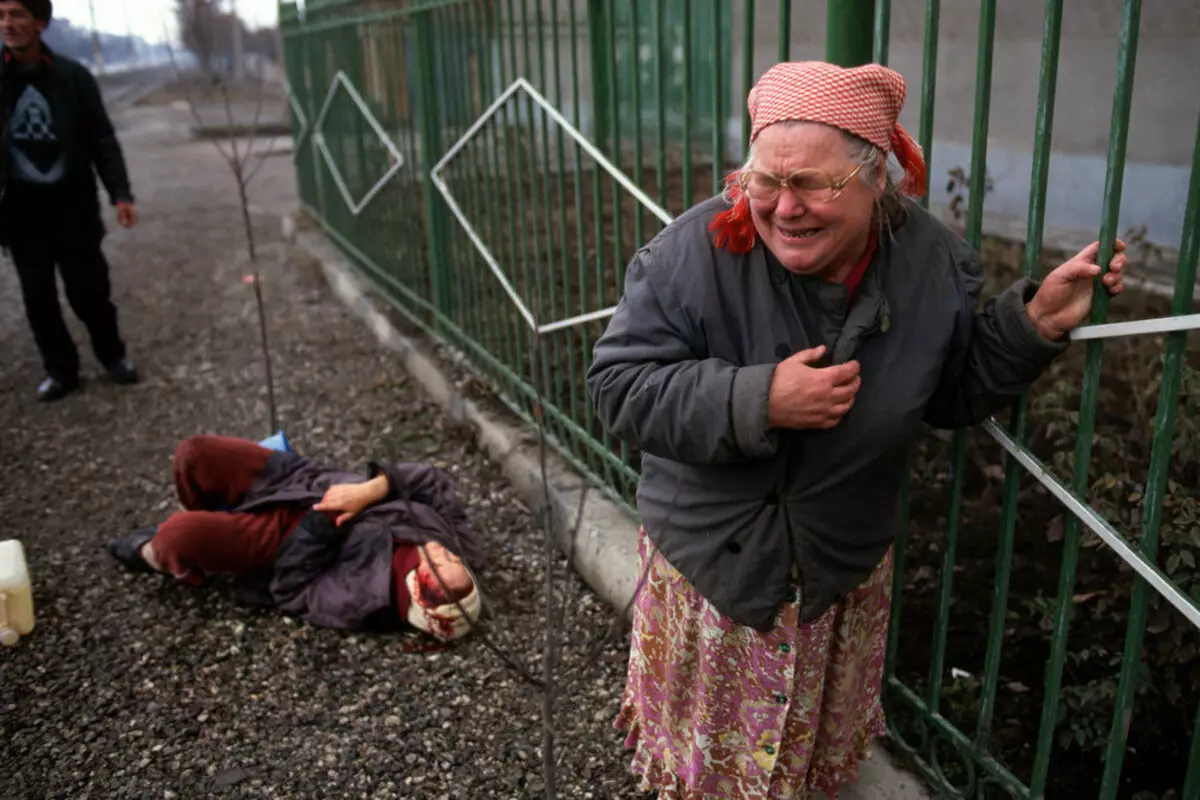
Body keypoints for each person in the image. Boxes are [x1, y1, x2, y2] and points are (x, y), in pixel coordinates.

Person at [586, 61, 1127, 799]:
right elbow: (617, 388)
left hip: (839, 568)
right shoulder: (693, 254)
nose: (783, 207)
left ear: (879, 180)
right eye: (765, 181)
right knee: (708, 769)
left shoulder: (931, 263)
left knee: (801, 763)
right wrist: (758, 398)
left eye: (813, 184)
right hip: (718, 569)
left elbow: (950, 388)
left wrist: (1032, 326)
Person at [106, 435, 483, 642]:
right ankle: (214, 515)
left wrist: (320, 526)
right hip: (303, 480)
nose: (444, 555)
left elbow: (292, 589)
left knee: (176, 537)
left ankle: (148, 553)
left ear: (417, 589)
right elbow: (432, 480)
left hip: (278, 537)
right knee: (194, 453)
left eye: (438, 568)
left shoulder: (359, 602)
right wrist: (372, 490)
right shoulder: (455, 540)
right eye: (456, 563)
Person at [0, 0, 139, 402]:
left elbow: (102, 138)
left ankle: (113, 356)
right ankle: (60, 371)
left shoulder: (72, 78)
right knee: (37, 295)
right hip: (20, 210)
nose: (7, 23)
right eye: (2, 15)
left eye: (17, 14)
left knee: (90, 289)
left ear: (39, 23)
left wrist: (121, 193)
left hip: (71, 205)